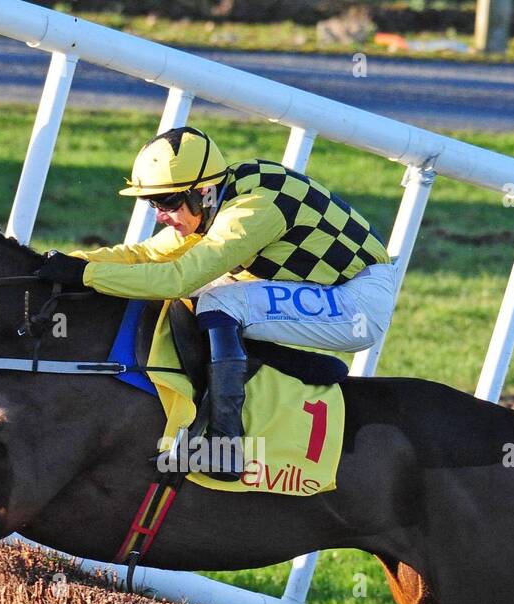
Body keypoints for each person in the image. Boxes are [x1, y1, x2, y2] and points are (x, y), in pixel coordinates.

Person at [35, 125, 398, 479]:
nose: (160, 215)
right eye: (152, 203)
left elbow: (178, 277)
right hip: (334, 288)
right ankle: (302, 367)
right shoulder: (221, 199)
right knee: (205, 298)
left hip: (358, 304)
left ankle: (224, 448)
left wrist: (85, 277)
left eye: (167, 201)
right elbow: (146, 254)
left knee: (217, 301)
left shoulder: (253, 210)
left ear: (204, 192)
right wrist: (71, 261)